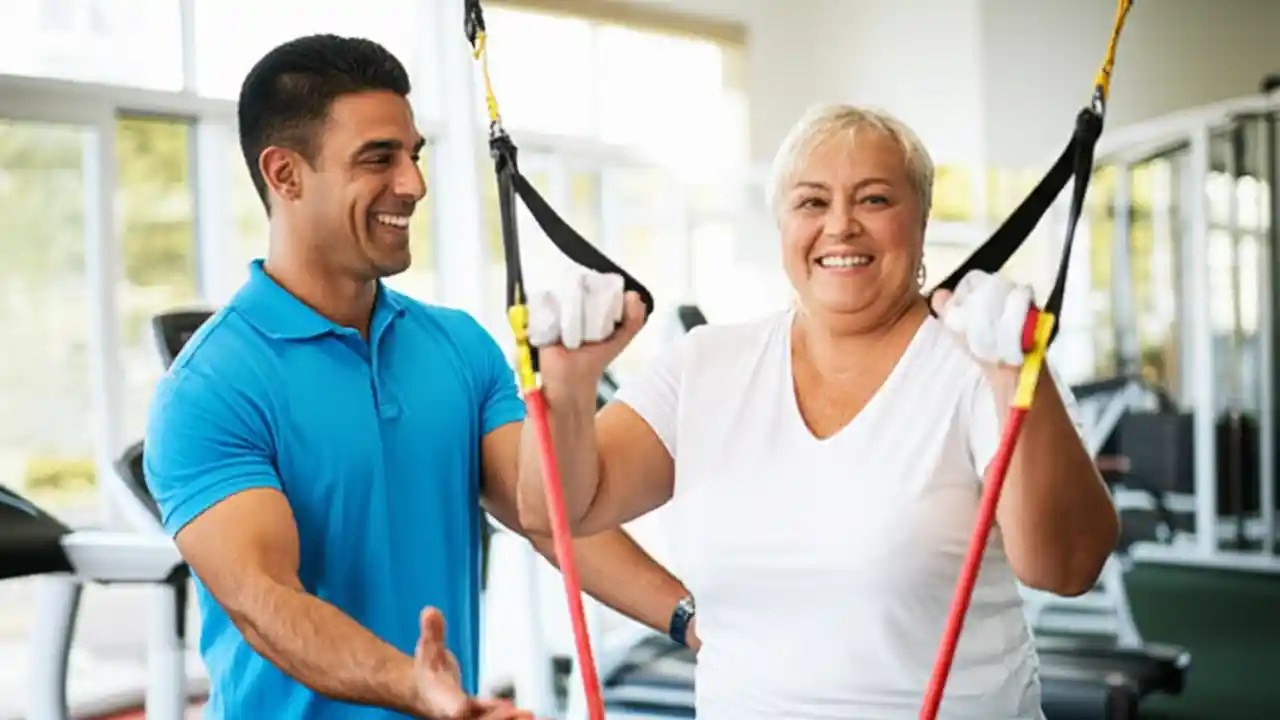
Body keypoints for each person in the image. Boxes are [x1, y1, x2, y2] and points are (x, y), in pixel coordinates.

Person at [144, 34, 692, 720]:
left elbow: (550, 514)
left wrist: (690, 621)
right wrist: (413, 685)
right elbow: (266, 603)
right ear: (285, 175)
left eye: (414, 155)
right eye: (379, 159)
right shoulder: (211, 389)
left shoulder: (457, 346)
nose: (413, 184)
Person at [517, 103, 1121, 719]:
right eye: (811, 202)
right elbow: (556, 512)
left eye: (875, 200)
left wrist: (1021, 377)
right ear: (781, 223)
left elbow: (1067, 567)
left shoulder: (976, 366)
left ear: (922, 219)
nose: (841, 226)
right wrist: (566, 386)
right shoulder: (704, 365)